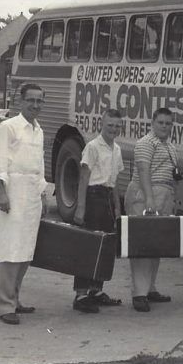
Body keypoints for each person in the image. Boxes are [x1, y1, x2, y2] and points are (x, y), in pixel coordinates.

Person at [0, 83, 48, 325]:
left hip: (32, 194)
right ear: (20, 101)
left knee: (25, 249)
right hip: (13, 192)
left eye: (39, 101)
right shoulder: (7, 128)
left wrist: (42, 194)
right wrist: (1, 194)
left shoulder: (38, 130)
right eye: (30, 100)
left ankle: (14, 298)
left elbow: (39, 167)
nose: (35, 105)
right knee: (10, 247)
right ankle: (5, 305)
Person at [70, 108, 126, 313]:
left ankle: (96, 290)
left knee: (105, 246)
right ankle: (81, 295)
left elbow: (115, 181)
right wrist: (81, 207)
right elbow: (84, 177)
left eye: (117, 126)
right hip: (93, 197)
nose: (113, 129)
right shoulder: (92, 147)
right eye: (110, 125)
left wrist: (117, 207)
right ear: (101, 124)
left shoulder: (117, 149)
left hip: (108, 199)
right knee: (89, 245)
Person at [125, 107, 177, 312]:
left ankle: (150, 288)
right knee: (142, 246)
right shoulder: (146, 143)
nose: (164, 126)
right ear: (152, 123)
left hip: (163, 194)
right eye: (160, 122)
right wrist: (149, 199)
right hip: (146, 194)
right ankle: (139, 294)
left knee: (156, 246)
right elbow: (143, 171)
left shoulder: (169, 146)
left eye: (168, 123)